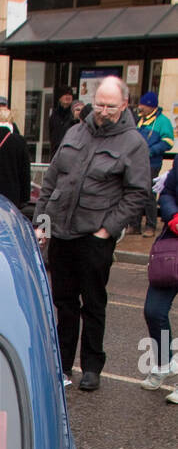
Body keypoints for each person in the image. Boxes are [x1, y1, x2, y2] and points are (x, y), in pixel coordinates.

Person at [36, 76, 150, 391]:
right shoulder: (76, 131)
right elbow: (51, 180)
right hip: (62, 233)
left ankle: (91, 367)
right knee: (64, 302)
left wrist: (107, 229)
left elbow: (137, 193)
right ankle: (61, 365)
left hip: (95, 236)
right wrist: (43, 223)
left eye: (110, 106)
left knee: (94, 303)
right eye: (99, 104)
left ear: (125, 104)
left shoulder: (133, 143)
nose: (103, 111)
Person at [140, 157, 178, 403]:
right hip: (172, 247)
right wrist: (173, 216)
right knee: (154, 311)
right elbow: (167, 193)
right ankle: (164, 364)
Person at [135, 90, 174, 236]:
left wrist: (151, 151)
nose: (140, 108)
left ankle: (150, 226)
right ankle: (134, 225)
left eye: (143, 105)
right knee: (135, 193)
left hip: (152, 163)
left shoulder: (162, 121)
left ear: (151, 106)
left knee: (149, 195)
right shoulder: (140, 120)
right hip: (137, 162)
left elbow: (168, 141)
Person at [48, 85, 76, 157]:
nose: (68, 97)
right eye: (65, 94)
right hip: (56, 153)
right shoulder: (54, 115)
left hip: (71, 153)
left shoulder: (74, 115)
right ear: (60, 98)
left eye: (70, 94)